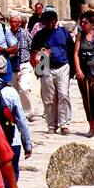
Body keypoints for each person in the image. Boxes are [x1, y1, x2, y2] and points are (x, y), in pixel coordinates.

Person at [31, 7, 75, 135]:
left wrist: (72, 70)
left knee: (63, 95)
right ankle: (51, 124)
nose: (50, 24)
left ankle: (64, 124)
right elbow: (34, 52)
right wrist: (42, 54)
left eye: (52, 21)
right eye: (47, 22)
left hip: (62, 66)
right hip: (45, 66)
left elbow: (71, 50)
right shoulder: (40, 35)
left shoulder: (64, 32)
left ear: (55, 20)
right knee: (48, 98)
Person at [73, 10, 94, 137]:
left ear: (92, 24)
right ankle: (91, 126)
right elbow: (76, 53)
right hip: (84, 71)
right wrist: (78, 69)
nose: (82, 24)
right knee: (87, 100)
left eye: (85, 22)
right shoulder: (80, 35)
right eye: (81, 22)